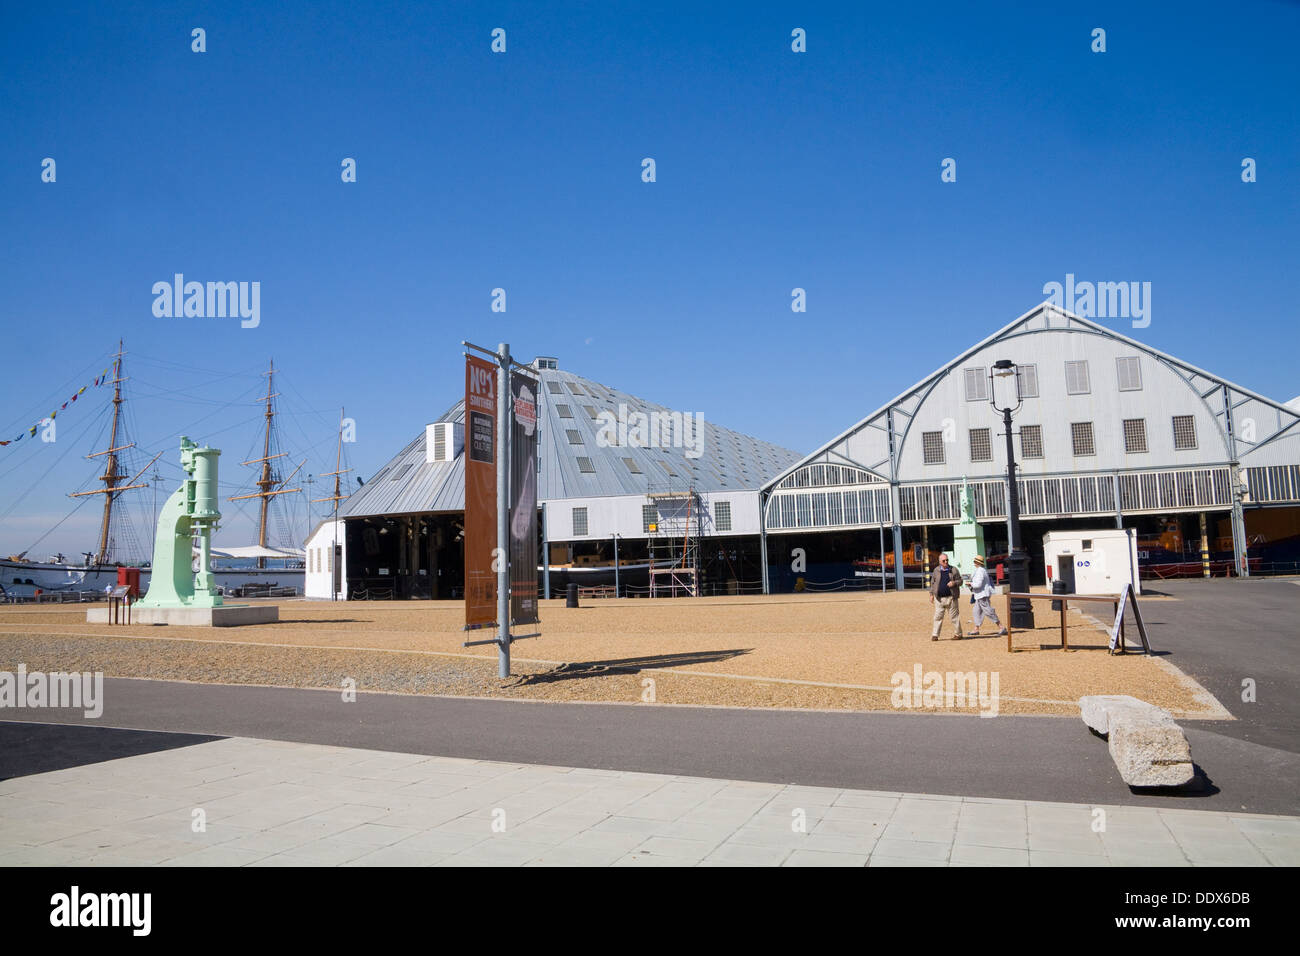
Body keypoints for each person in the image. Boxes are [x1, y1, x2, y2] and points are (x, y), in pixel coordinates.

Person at [968, 554, 1008, 637]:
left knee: (988, 611)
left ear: (977, 562)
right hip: (980, 595)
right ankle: (976, 628)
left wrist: (970, 584)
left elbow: (978, 584)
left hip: (982, 594)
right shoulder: (981, 570)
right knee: (976, 611)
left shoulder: (980, 571)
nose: (974, 562)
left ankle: (1001, 627)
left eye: (975, 561)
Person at [928, 552, 963, 640]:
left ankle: (958, 634)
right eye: (944, 561)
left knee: (954, 617)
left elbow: (960, 581)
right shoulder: (936, 570)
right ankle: (935, 635)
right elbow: (933, 583)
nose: (946, 562)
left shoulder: (954, 569)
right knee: (937, 617)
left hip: (951, 598)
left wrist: (954, 583)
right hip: (939, 598)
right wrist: (931, 594)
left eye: (947, 560)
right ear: (940, 562)